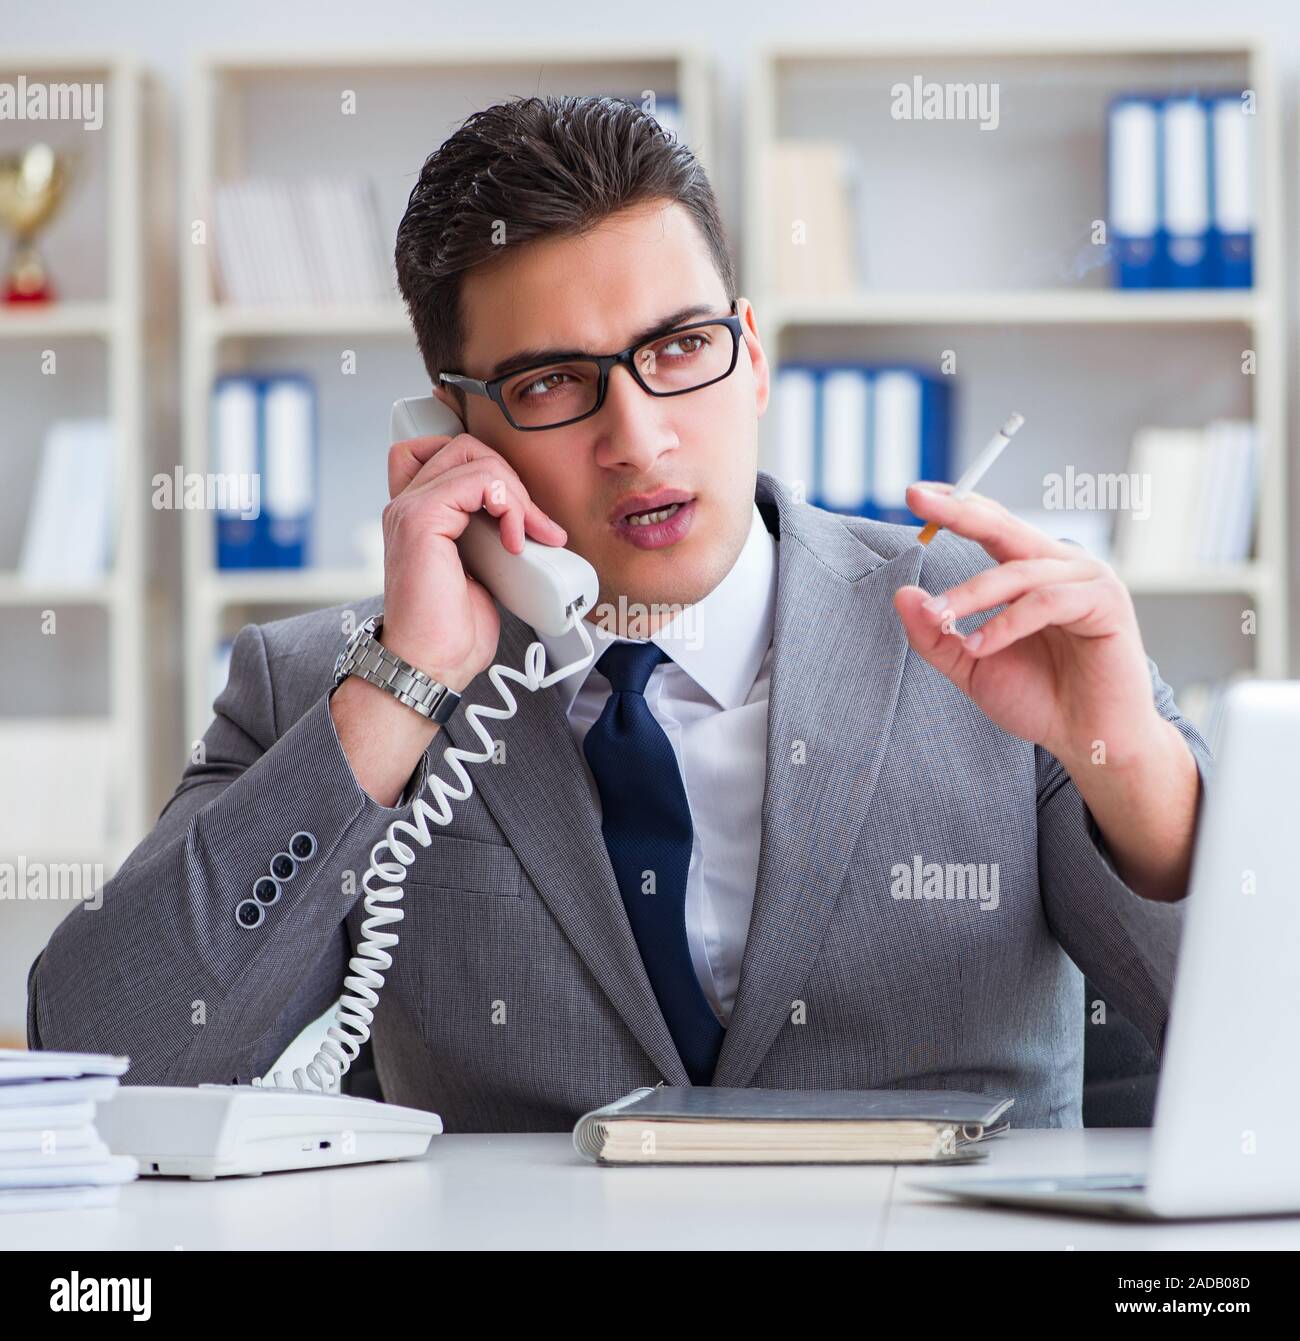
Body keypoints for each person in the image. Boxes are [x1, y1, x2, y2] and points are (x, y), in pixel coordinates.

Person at [27, 94, 1208, 1131]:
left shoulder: (999, 627)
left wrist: (1130, 766)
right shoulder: (326, 683)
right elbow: (108, 1057)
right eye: (551, 382)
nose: (637, 440)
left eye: (680, 348)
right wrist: (401, 690)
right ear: (449, 429)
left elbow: (1256, 1057)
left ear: (751, 357)